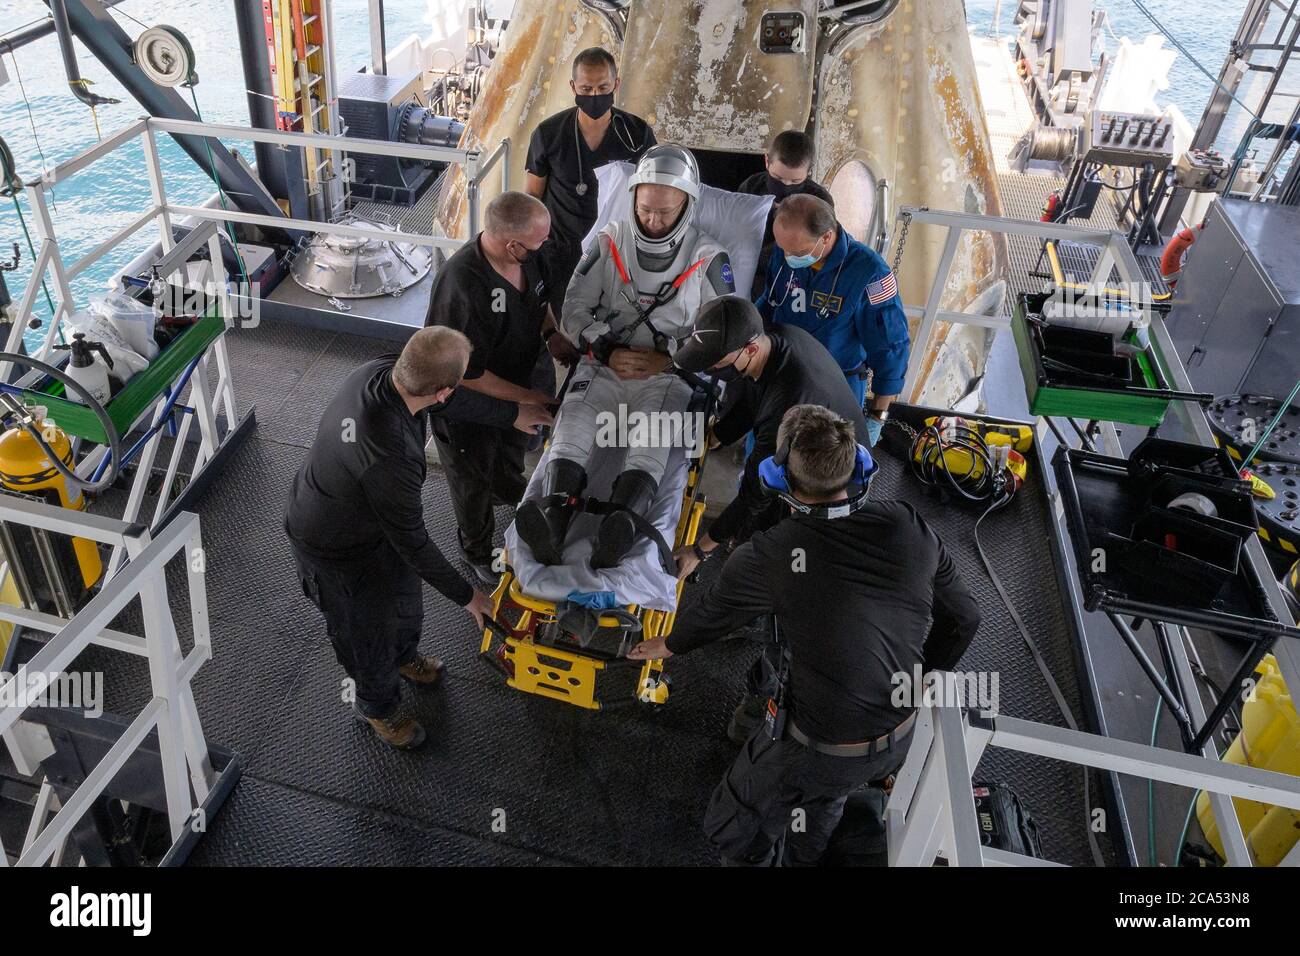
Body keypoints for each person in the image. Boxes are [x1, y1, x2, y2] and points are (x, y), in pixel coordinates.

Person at [630, 404, 981, 866]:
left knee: (733, 825)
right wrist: (919, 680)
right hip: (901, 735)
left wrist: (663, 645)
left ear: (781, 480)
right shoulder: (907, 523)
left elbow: (712, 617)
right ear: (858, 467)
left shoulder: (768, 555)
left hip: (821, 748)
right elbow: (967, 617)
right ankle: (809, 842)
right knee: (819, 805)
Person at [515, 144, 734, 569]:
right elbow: (574, 308)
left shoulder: (709, 259)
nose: (653, 221)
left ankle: (622, 524)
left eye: (665, 212)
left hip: (669, 373)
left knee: (652, 438)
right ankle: (553, 516)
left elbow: (721, 331)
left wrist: (671, 359)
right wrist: (605, 348)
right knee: (573, 425)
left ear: (687, 205)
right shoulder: (610, 240)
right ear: (634, 198)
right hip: (604, 361)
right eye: (646, 209)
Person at [284, 327, 497, 750]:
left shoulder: (382, 370)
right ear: (441, 392)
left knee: (402, 598)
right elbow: (414, 541)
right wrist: (469, 596)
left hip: (369, 518)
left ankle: (404, 657)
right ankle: (376, 707)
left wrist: (518, 411)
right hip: (333, 547)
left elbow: (458, 398)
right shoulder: (390, 455)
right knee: (366, 633)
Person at [423, 191, 571, 585]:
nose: (543, 249)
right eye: (537, 243)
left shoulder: (530, 256)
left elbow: (539, 304)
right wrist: (526, 400)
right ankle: (475, 549)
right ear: (511, 245)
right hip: (468, 402)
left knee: (512, 452)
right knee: (472, 477)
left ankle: (506, 492)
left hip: (523, 374)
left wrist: (553, 333)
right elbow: (465, 374)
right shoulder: (460, 285)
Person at [673, 294, 871, 575]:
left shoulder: (786, 408)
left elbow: (756, 491)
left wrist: (698, 551)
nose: (711, 368)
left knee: (770, 555)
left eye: (716, 362)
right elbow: (755, 395)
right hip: (813, 442)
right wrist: (718, 435)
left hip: (832, 484)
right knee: (750, 524)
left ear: (750, 349)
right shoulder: (776, 339)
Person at [758, 194, 909, 440]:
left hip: (836, 387)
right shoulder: (786, 252)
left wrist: (877, 416)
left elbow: (890, 346)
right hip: (782, 375)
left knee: (822, 465)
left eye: (797, 251)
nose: (788, 257)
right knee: (765, 458)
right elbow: (770, 300)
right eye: (783, 249)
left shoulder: (869, 273)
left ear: (826, 237)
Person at [525, 47, 657, 313]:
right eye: (586, 89)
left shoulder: (637, 133)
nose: (595, 95)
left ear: (616, 84)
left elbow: (651, 192)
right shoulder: (548, 134)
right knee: (565, 324)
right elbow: (532, 197)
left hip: (618, 252)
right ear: (573, 87)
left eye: (602, 87)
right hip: (561, 251)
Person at [736, 131, 834, 296]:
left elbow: (819, 249)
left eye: (795, 181)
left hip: (793, 279)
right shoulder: (752, 187)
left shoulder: (820, 201)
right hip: (748, 270)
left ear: (809, 171)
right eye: (777, 178)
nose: (786, 186)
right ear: (767, 161)